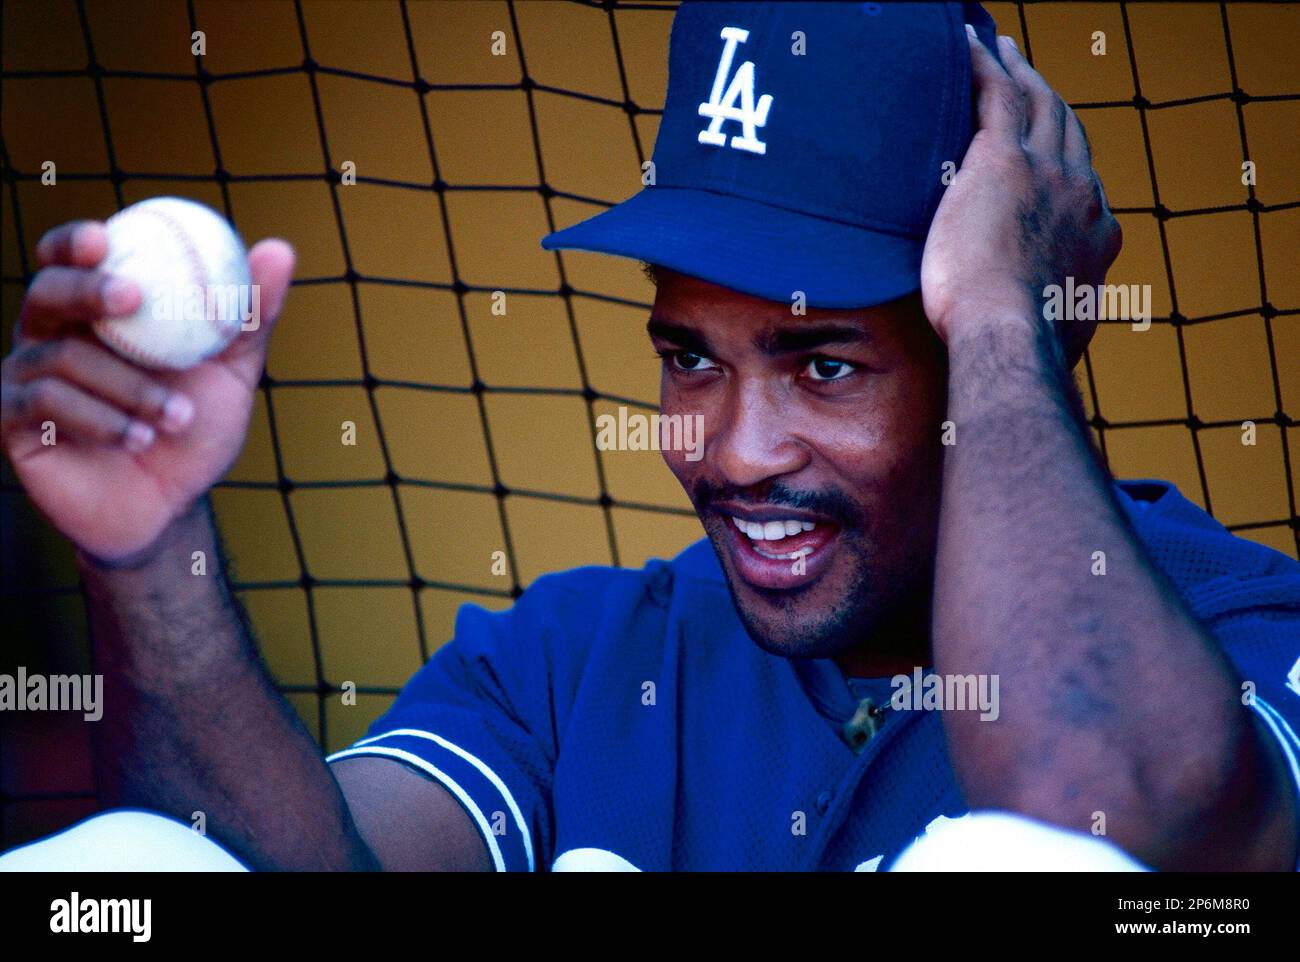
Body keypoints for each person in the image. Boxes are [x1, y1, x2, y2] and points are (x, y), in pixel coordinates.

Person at [1, 2, 1296, 872]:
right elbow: (248, 868)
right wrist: (149, 548)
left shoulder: (1234, 638)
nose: (733, 453)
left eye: (825, 362)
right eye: (687, 356)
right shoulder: (578, 662)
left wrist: (1014, 322)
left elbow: (1101, 829)